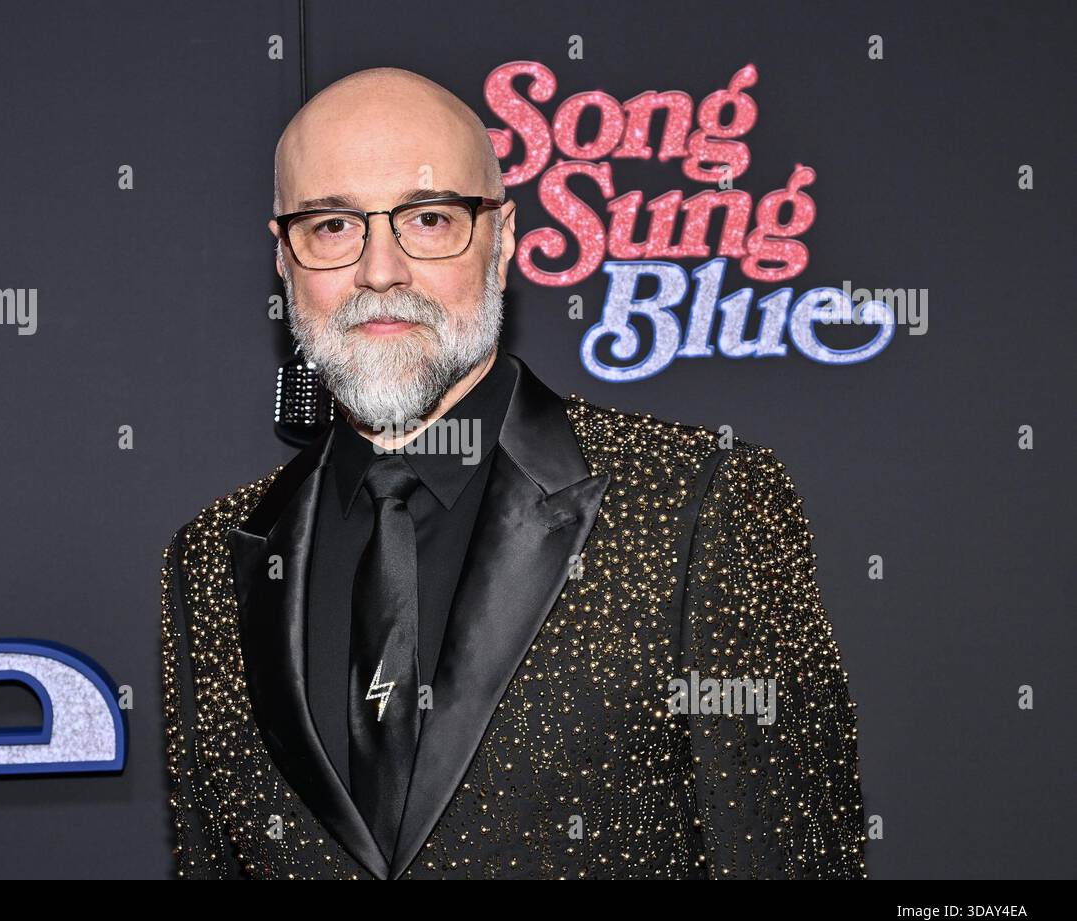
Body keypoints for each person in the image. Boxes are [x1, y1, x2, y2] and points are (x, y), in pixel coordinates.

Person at [159, 67, 866, 879]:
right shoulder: (210, 559)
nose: (379, 270)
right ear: (284, 261)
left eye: (429, 220)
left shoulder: (698, 506)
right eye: (331, 226)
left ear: (505, 242)